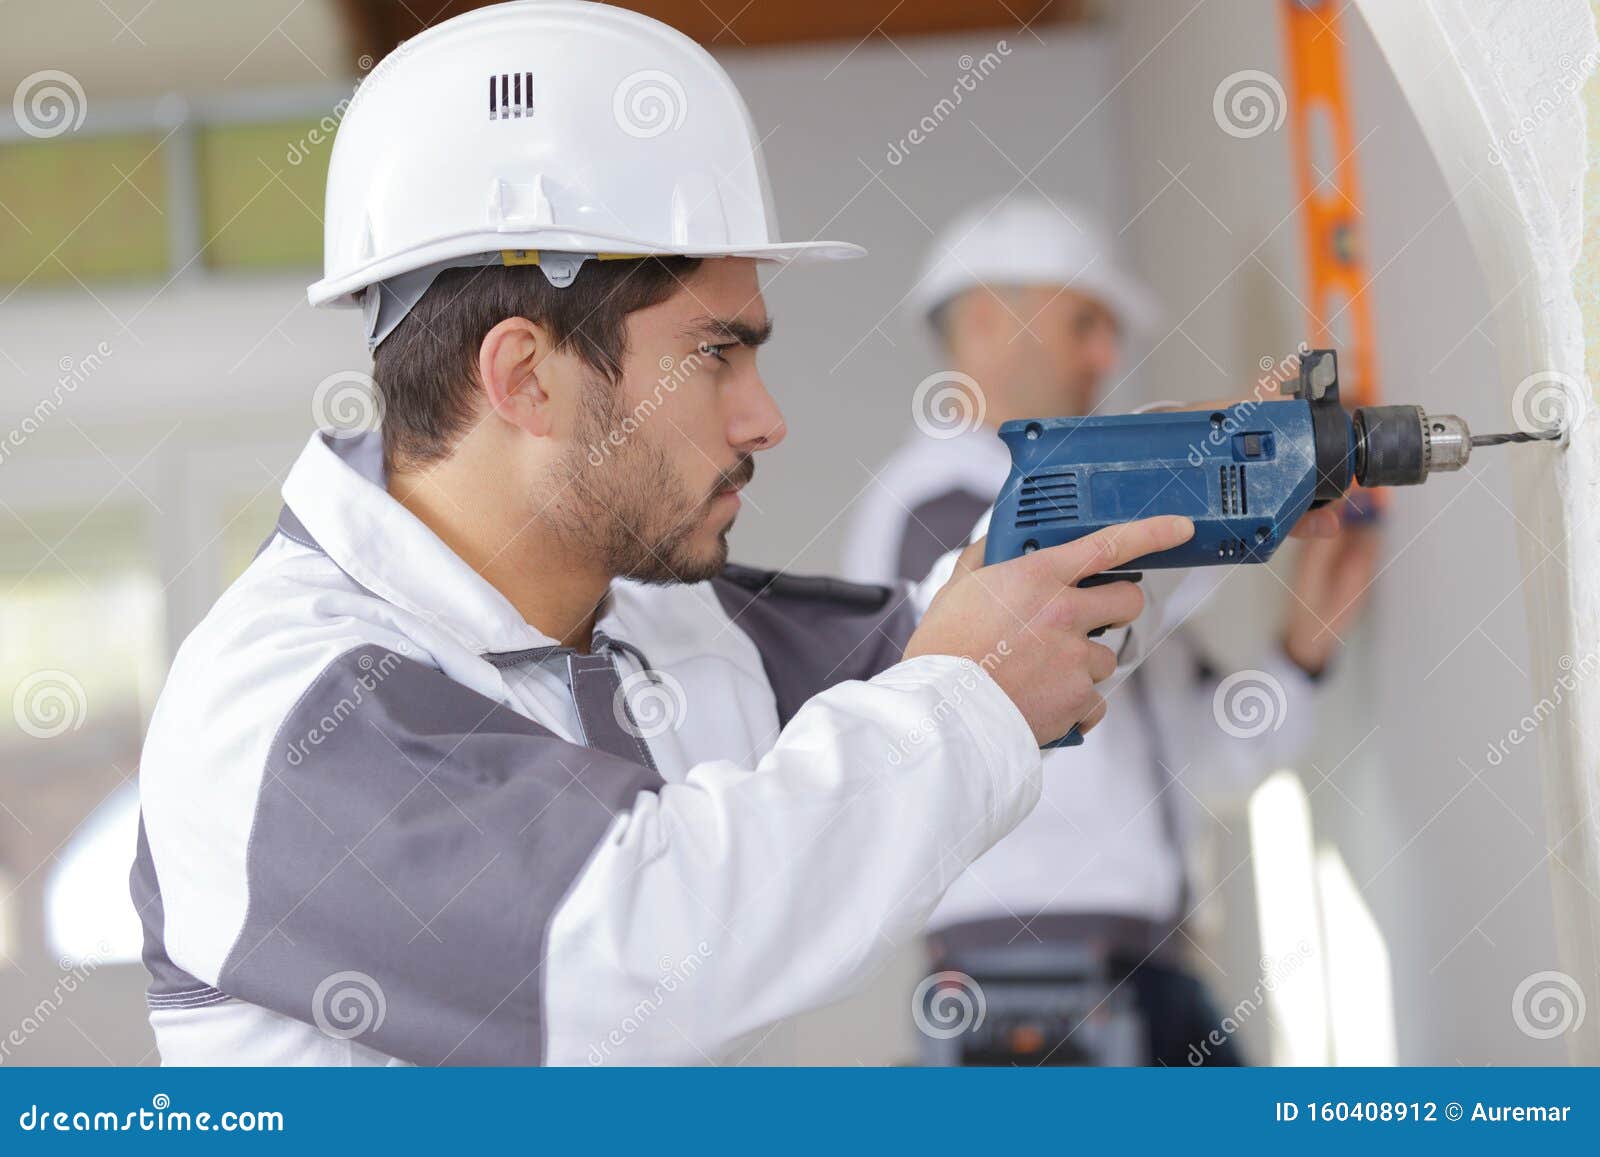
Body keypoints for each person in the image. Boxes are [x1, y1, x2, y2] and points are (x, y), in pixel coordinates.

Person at [130, 4, 1332, 1067]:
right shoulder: (281, 709)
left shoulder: (657, 627)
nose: (765, 419)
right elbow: (629, 950)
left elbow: (959, 633)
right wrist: (970, 691)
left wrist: (1182, 482)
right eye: (716, 354)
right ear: (526, 377)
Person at [842, 196, 1378, 1066]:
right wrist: (1225, 454)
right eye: (1084, 324)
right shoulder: (937, 505)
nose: (1107, 357)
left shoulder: (1089, 532)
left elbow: (1202, 759)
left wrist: (1303, 649)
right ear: (985, 320)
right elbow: (1039, 629)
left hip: (1145, 973)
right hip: (1032, 988)